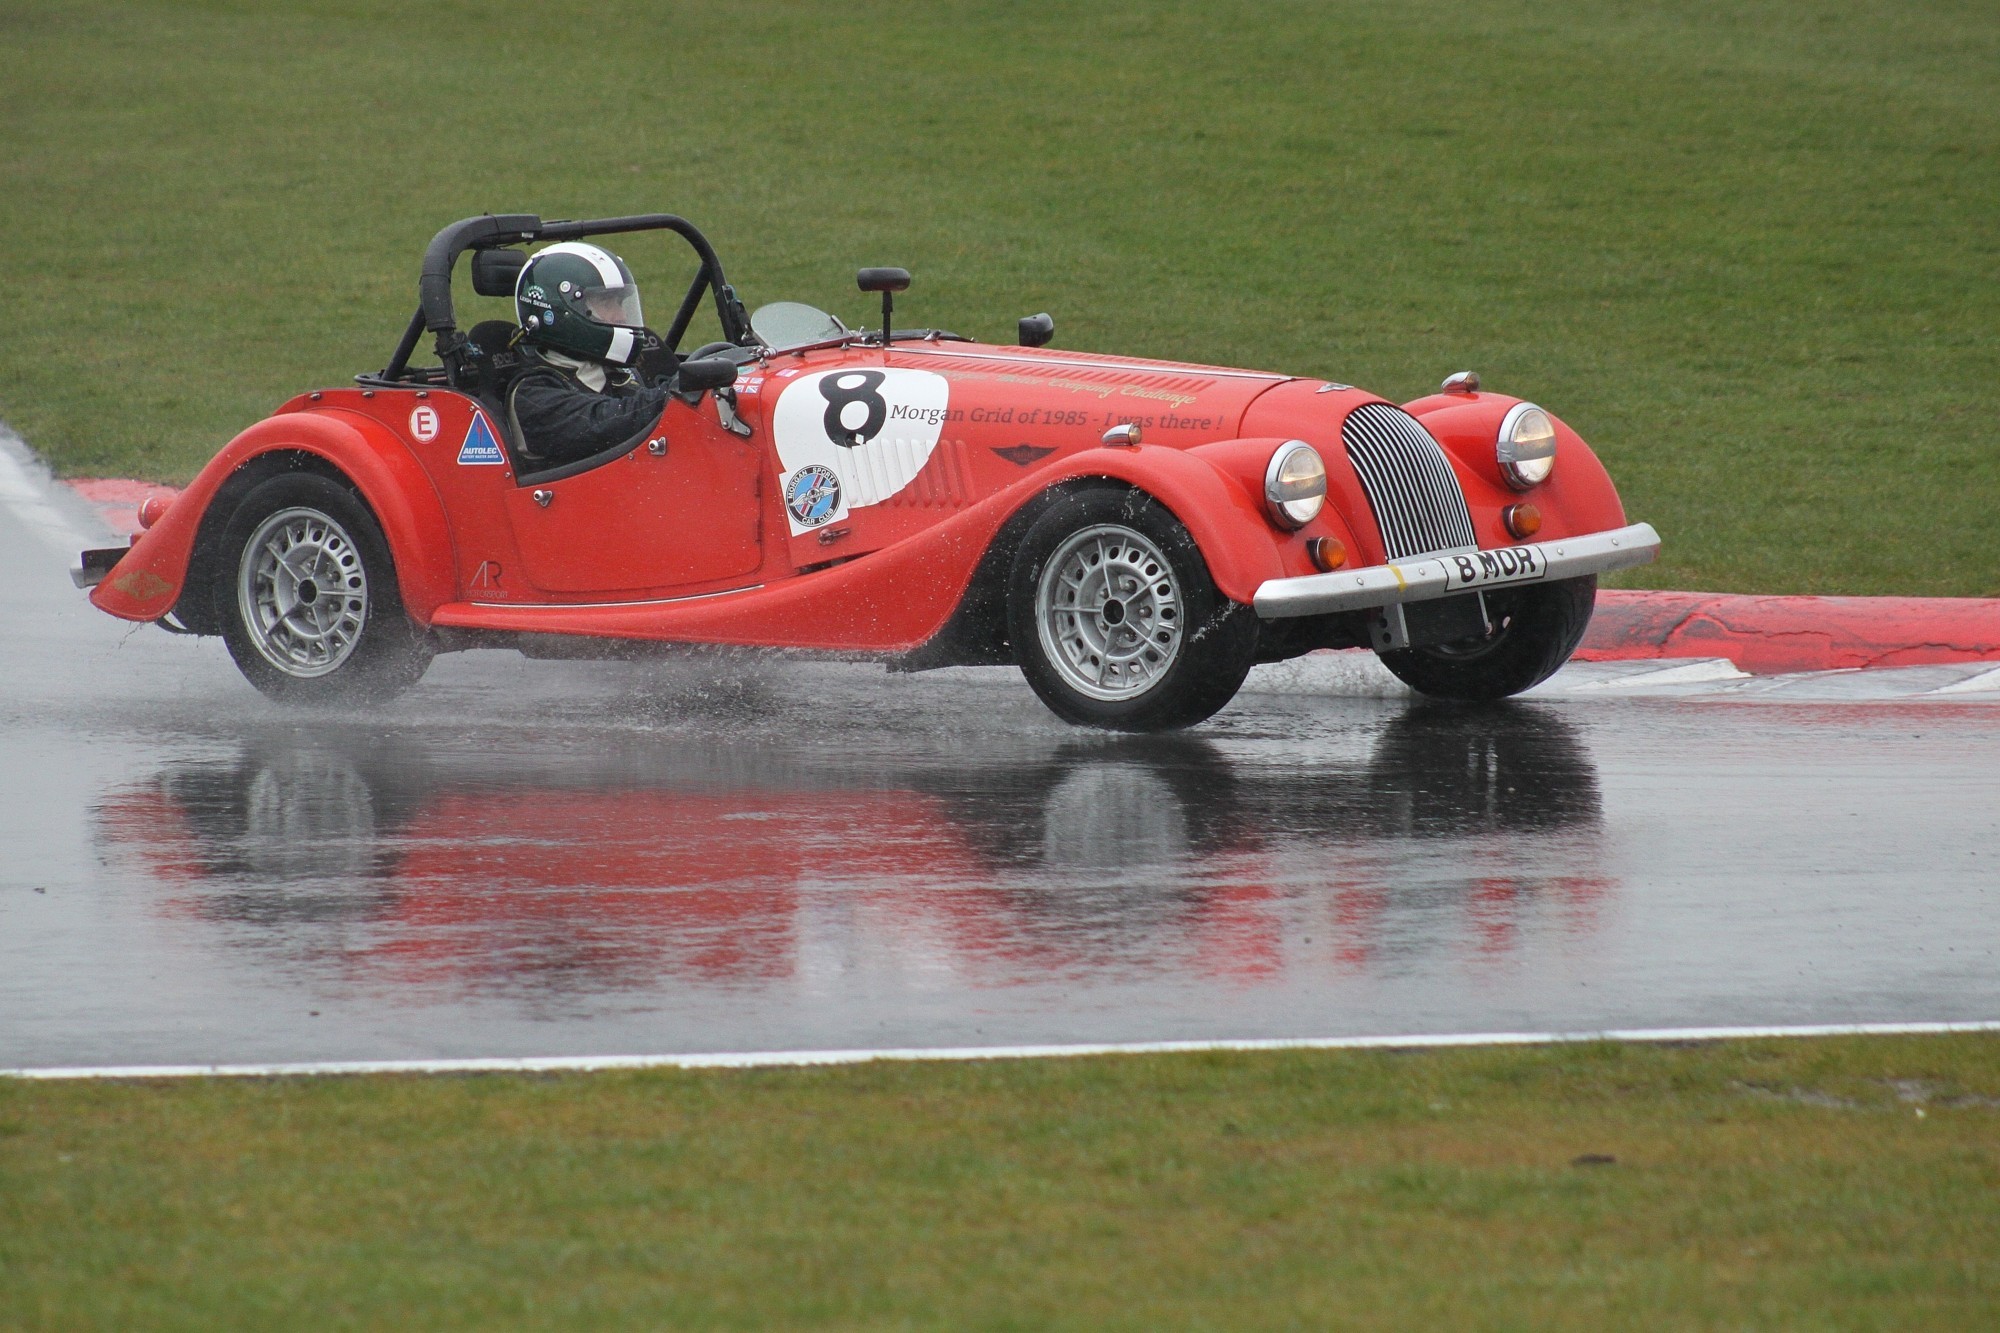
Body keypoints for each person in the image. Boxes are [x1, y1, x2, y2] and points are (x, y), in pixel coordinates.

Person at [506, 241, 673, 466]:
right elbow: (604, 421)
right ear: (561, 310)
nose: (621, 316)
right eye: (606, 302)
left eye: (620, 302)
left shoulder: (616, 368)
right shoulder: (533, 395)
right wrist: (676, 392)